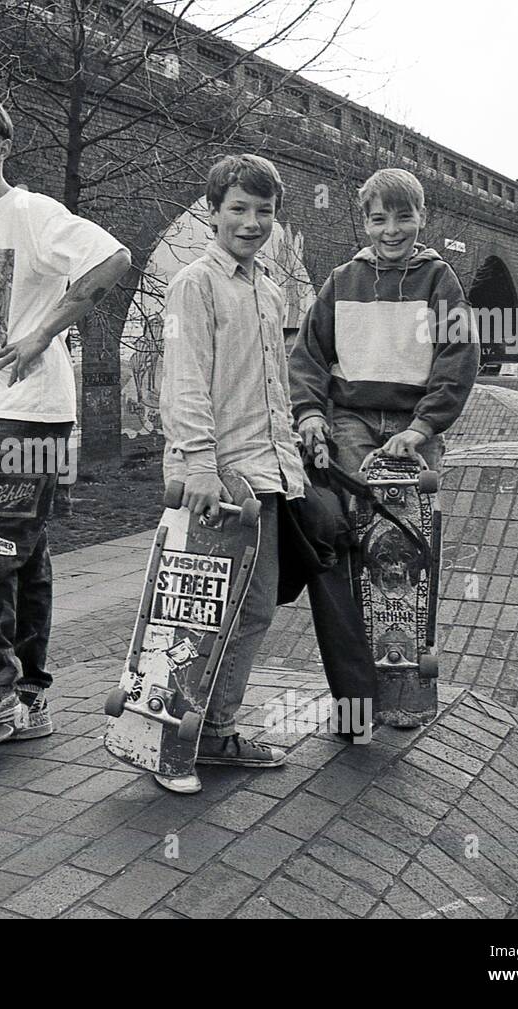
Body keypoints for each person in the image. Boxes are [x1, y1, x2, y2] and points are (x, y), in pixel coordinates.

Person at [0, 90, 131, 736]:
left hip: (34, 414)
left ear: (3, 148)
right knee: (21, 552)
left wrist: (45, 332)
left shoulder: (32, 213)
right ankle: (31, 693)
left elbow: (113, 257)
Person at [288, 167, 478, 734]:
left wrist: (422, 428)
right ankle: (356, 697)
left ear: (422, 219)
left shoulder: (439, 280)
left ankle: (408, 694)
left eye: (403, 217)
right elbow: (308, 357)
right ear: (364, 221)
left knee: (407, 555)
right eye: (378, 218)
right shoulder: (343, 280)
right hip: (350, 423)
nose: (390, 229)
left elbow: (456, 358)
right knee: (353, 554)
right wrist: (311, 415)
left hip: (412, 424)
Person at [152, 153, 306, 794]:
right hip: (217, 476)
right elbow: (184, 377)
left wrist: (296, 447)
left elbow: (271, 387)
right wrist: (198, 465)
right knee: (194, 617)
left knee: (255, 611)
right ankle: (166, 742)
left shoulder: (268, 288)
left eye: (263, 211)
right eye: (237, 209)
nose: (251, 222)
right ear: (211, 213)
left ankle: (213, 732)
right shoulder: (195, 283)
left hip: (265, 477)